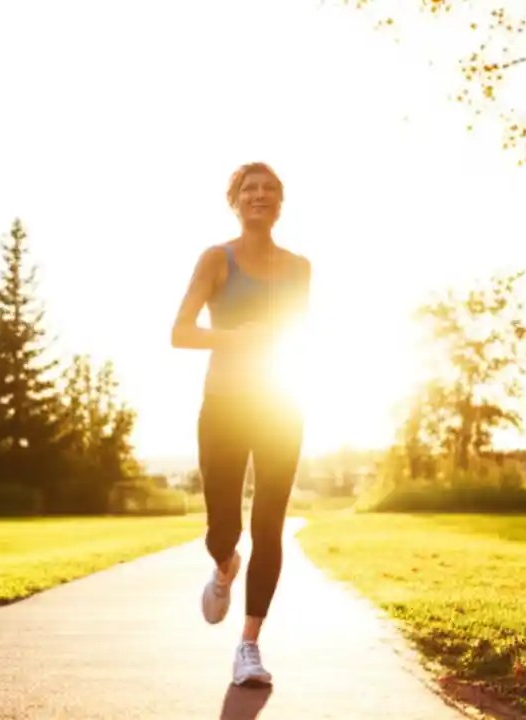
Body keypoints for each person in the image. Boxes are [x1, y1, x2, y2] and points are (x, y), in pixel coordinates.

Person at [170, 161, 311, 687]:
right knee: (224, 525)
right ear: (235, 201)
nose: (260, 194)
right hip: (225, 404)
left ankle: (248, 646)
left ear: (280, 202)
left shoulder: (299, 267)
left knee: (269, 522)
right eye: (249, 188)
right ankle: (224, 564)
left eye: (270, 188)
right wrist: (234, 337)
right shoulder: (217, 259)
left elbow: (301, 330)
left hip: (280, 403)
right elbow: (180, 332)